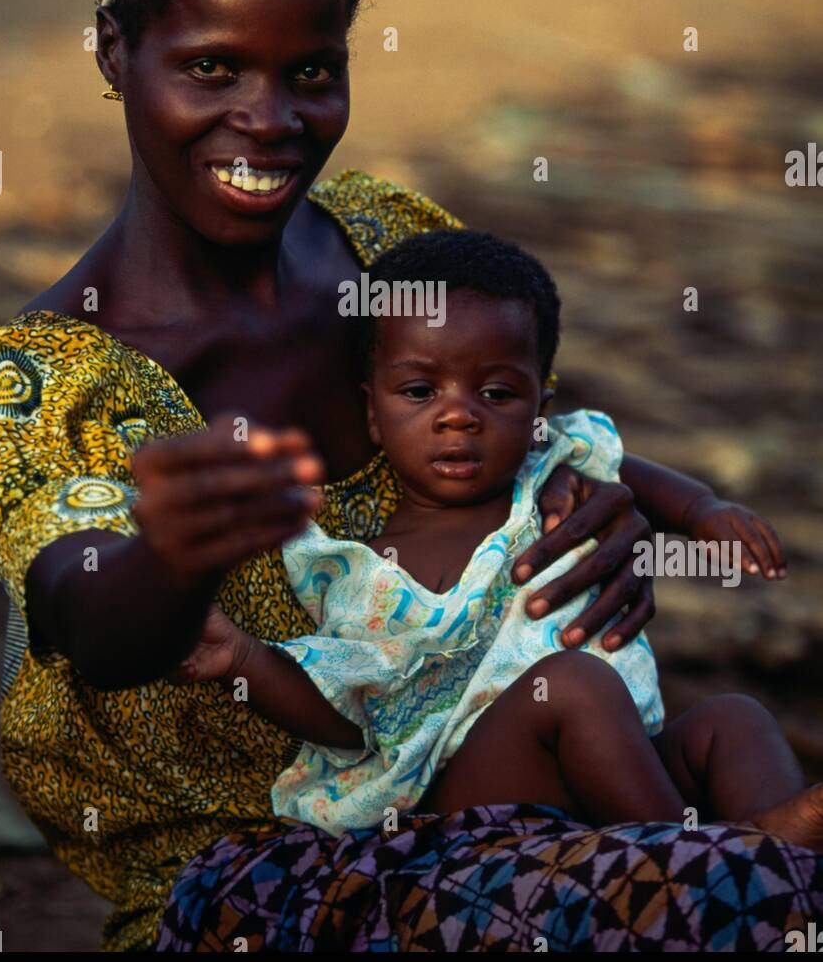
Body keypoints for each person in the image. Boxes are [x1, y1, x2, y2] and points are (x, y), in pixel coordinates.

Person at [0, 0, 817, 954]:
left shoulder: (388, 246)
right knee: (740, 908)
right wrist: (168, 554)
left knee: (728, 867)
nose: (269, 118)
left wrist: (602, 513)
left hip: (510, 779)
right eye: (212, 67)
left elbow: (525, 426)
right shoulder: (43, 375)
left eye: (312, 71)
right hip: (258, 882)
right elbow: (85, 615)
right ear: (114, 51)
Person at [170, 229, 821, 851]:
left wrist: (704, 509)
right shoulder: (368, 571)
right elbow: (346, 712)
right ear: (373, 412)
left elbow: (627, 472)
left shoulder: (554, 470)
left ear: (540, 408)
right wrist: (245, 660)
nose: (458, 414)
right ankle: (703, 865)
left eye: (497, 392)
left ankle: (778, 854)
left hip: (613, 770)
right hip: (464, 800)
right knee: (572, 685)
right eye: (420, 391)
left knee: (732, 719)